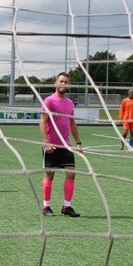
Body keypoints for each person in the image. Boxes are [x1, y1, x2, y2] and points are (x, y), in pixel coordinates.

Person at [40, 73, 86, 217]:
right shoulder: (49, 101)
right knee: (50, 174)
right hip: (51, 145)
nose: (63, 83)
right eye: (61, 81)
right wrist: (46, 142)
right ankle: (46, 206)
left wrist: (78, 143)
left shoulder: (70, 103)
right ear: (56, 83)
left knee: (71, 173)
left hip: (66, 144)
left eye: (66, 82)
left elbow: (72, 123)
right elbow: (42, 122)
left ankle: (67, 206)